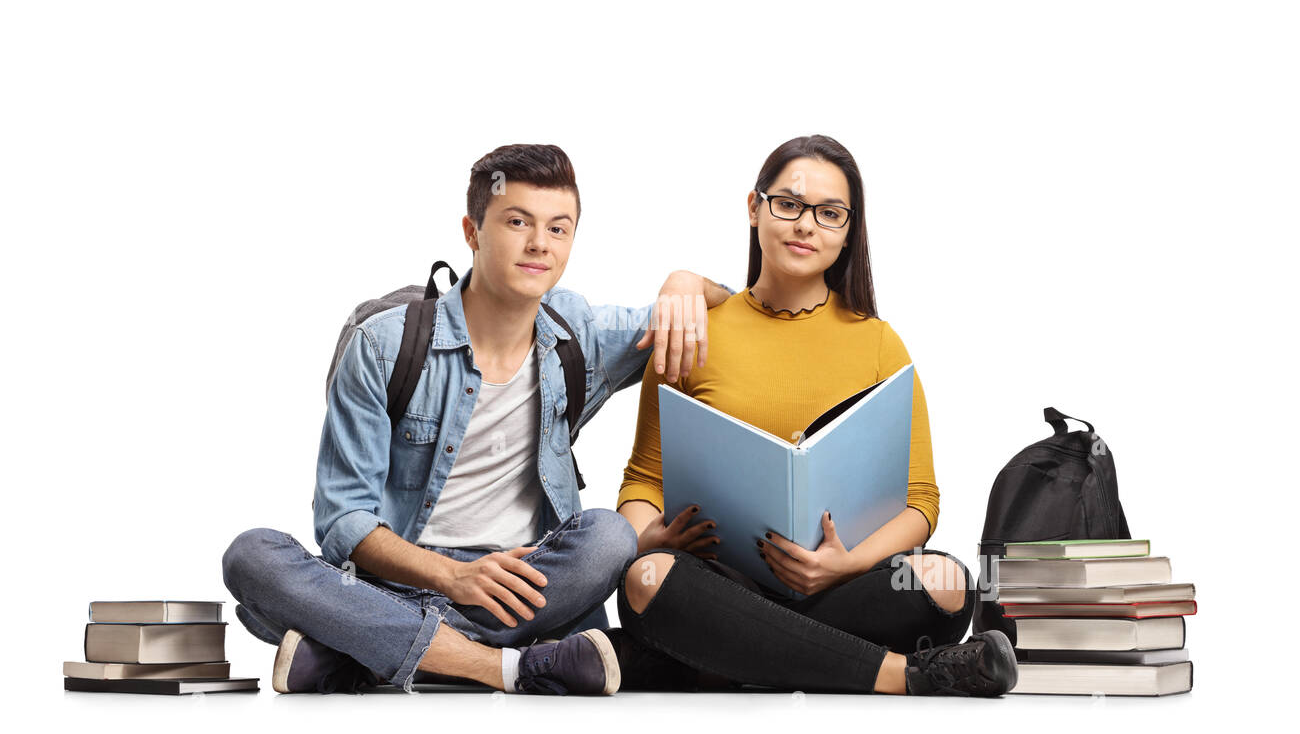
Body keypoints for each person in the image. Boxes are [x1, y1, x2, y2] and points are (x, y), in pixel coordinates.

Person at [221, 143, 731, 695]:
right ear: (472, 231)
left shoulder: (577, 336)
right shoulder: (384, 343)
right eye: (518, 222)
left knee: (609, 536)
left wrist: (683, 281)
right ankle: (503, 667)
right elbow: (343, 521)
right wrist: (452, 577)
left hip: (516, 586)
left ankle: (363, 649)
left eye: (559, 229)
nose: (540, 243)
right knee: (251, 556)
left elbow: (725, 302)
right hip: (390, 578)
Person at [612, 134, 1018, 696]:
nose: (806, 225)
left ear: (849, 232)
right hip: (721, 580)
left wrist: (847, 566)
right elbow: (644, 478)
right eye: (789, 204)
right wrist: (647, 533)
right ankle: (907, 675)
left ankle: (707, 663)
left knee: (946, 583)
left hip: (841, 587)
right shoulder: (696, 326)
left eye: (829, 214)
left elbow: (921, 501)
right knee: (646, 578)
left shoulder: (878, 343)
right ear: (754, 209)